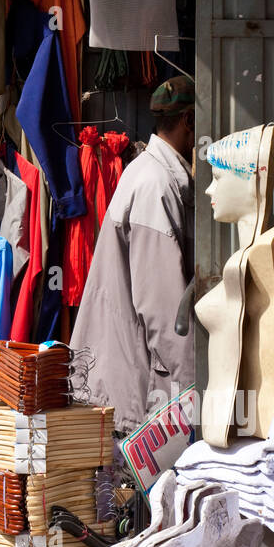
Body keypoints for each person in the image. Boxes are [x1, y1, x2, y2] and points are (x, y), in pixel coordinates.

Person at [70, 75, 196, 434]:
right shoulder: (155, 184)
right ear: (188, 120)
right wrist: (194, 393)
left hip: (123, 382)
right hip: (131, 392)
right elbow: (163, 310)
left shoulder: (146, 173)